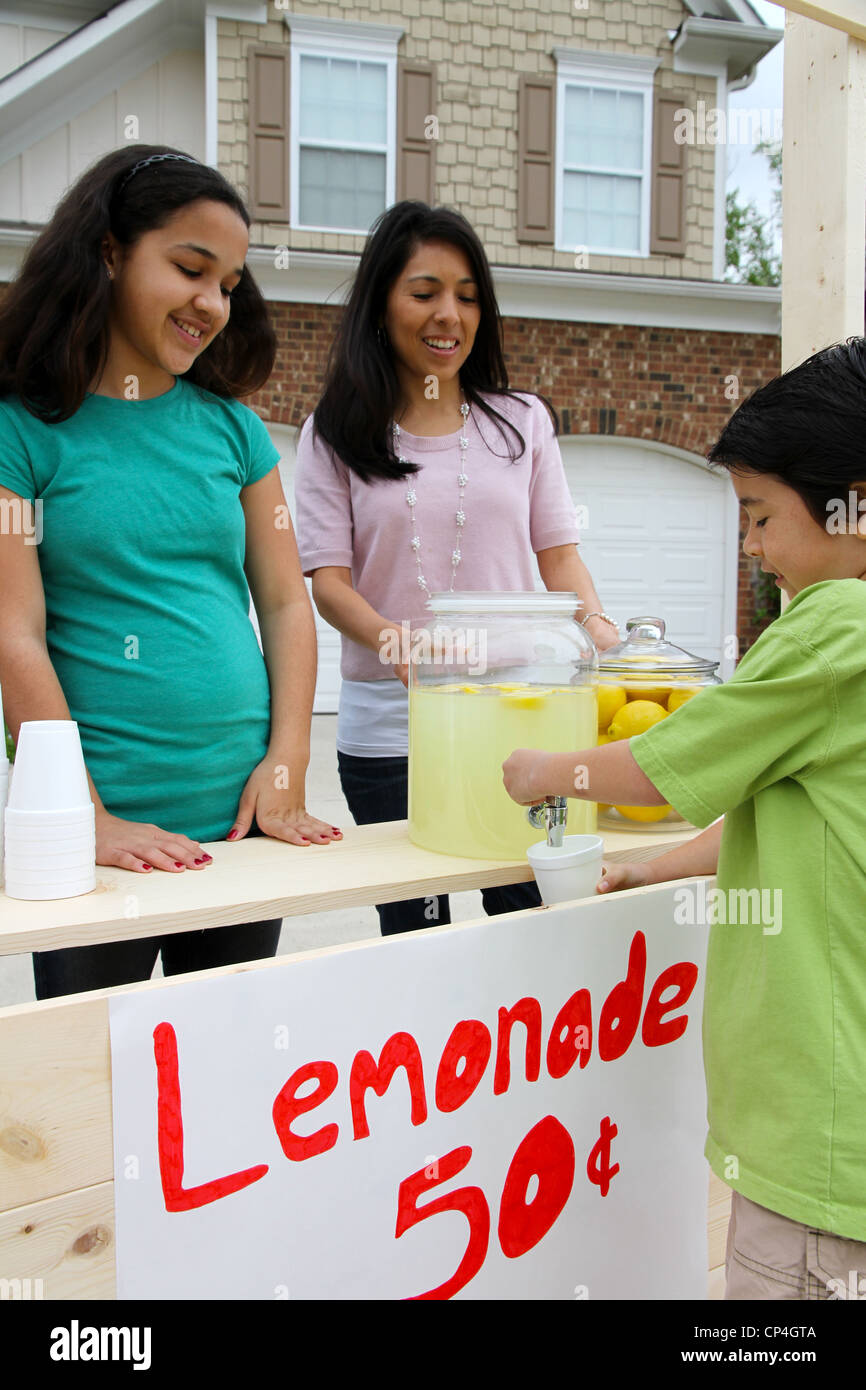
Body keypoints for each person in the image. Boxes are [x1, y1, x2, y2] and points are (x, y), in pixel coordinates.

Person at [502, 337, 866, 1300]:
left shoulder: (836, 625)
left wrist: (549, 764)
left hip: (819, 1142)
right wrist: (648, 872)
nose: (749, 546)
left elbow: (667, 771)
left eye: (759, 516)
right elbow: (785, 807)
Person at [0, 145, 340, 999]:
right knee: (102, 1102)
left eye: (229, 283)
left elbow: (286, 606)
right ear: (110, 252)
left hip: (242, 831)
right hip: (101, 841)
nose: (212, 304)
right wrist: (88, 822)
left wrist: (288, 763)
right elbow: (14, 633)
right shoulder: (24, 433)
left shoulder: (237, 434)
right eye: (191, 269)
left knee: (227, 1082)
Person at [294, 200, 616, 937]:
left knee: (525, 919)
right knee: (418, 935)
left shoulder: (522, 420)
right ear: (381, 303)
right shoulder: (335, 433)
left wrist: (604, 638)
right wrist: (395, 643)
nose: (450, 314)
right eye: (425, 291)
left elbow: (561, 557)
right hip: (391, 732)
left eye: (468, 297)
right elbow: (329, 584)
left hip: (521, 716)